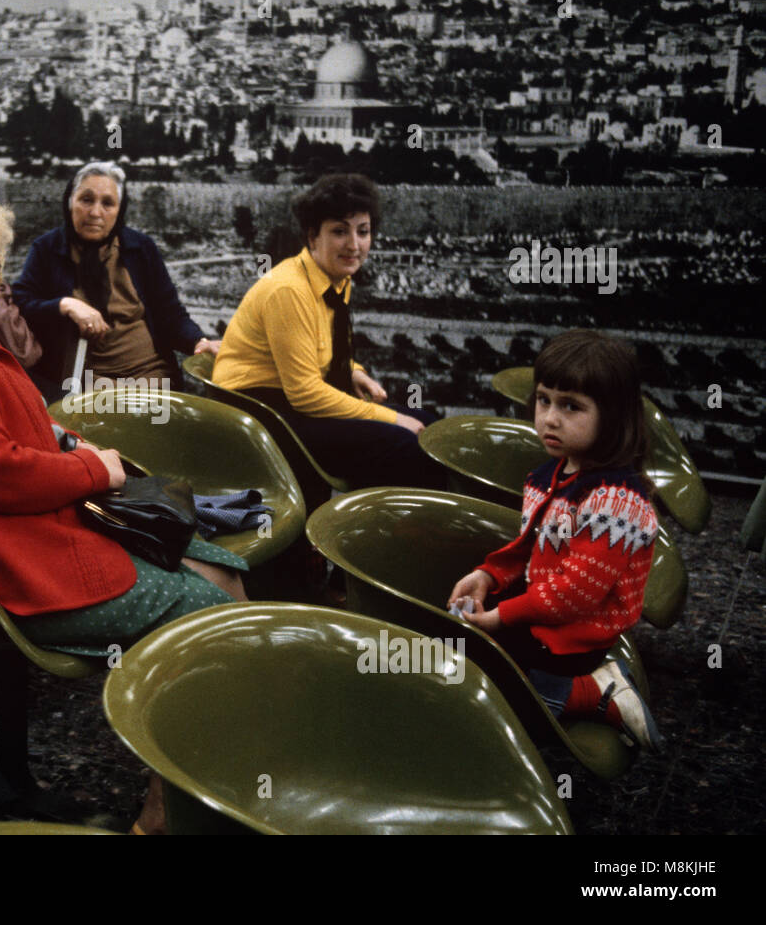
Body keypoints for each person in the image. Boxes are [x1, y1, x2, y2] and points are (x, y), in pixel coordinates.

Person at [0, 193, 247, 833]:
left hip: (35, 532)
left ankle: (206, 757)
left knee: (223, 568)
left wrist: (70, 446)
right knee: (207, 618)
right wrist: (95, 469)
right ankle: (162, 815)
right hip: (10, 567)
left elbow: (15, 433)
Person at [447, 330, 663, 752]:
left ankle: (599, 692)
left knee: (521, 706)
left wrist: (500, 617)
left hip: (576, 632)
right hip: (544, 608)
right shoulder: (550, 476)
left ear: (614, 416)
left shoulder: (615, 503)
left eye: (571, 407)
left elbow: (575, 596)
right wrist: (487, 576)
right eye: (544, 399)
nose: (549, 418)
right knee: (463, 658)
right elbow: (529, 549)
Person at [212, 172, 441, 489]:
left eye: (363, 232)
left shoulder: (335, 279)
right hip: (262, 412)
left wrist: (353, 371)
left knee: (433, 429)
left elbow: (322, 349)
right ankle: (376, 529)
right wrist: (391, 417)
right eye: (339, 232)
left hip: (291, 397)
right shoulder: (289, 290)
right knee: (407, 441)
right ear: (312, 237)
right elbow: (305, 394)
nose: (354, 245)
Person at [12, 161, 219, 392]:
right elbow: (21, 302)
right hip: (88, 381)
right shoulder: (47, 249)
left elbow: (169, 312)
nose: (95, 212)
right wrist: (65, 304)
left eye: (108, 203)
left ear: (120, 210)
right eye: (86, 200)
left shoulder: (141, 248)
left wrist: (199, 341)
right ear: (70, 202)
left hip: (151, 374)